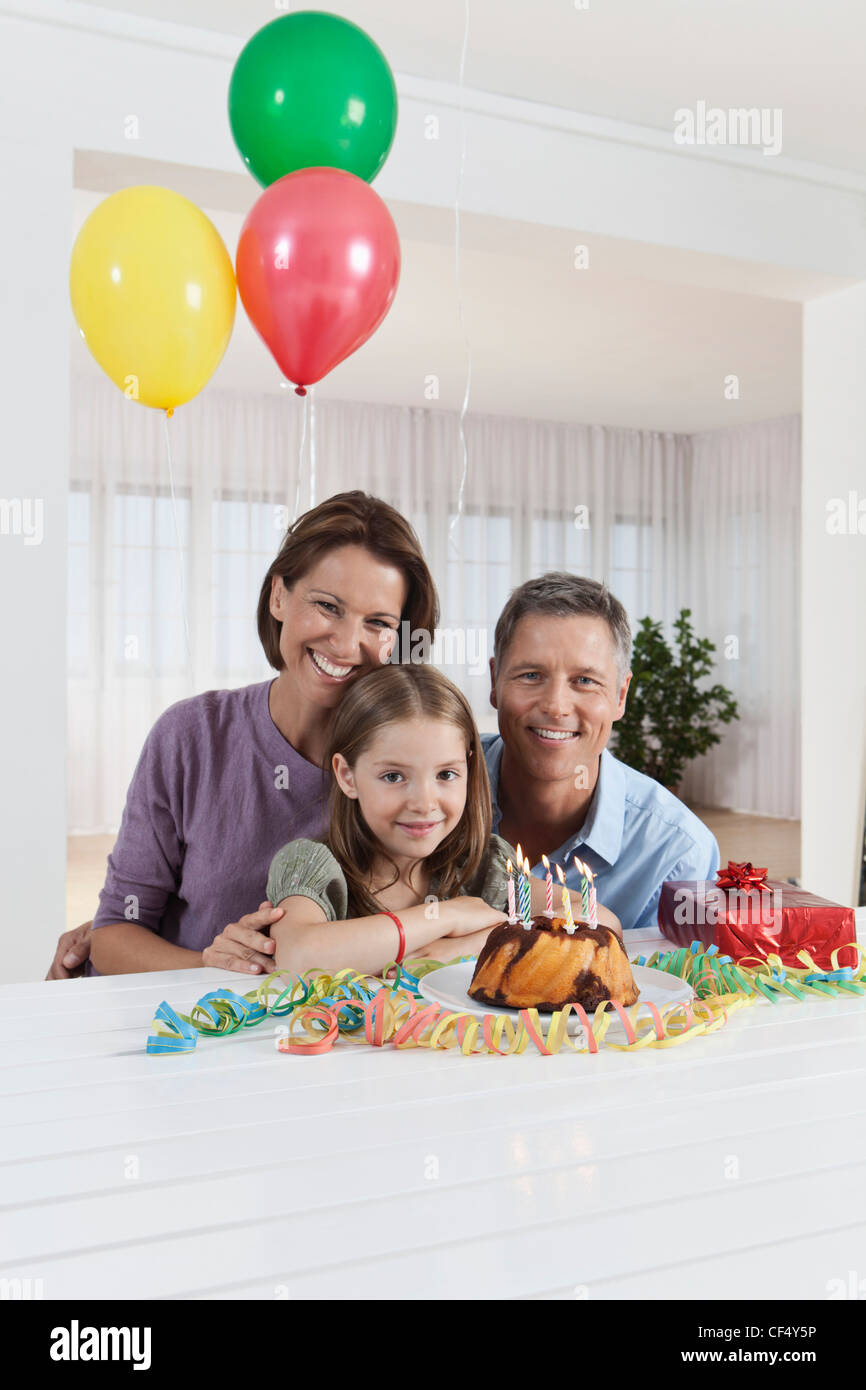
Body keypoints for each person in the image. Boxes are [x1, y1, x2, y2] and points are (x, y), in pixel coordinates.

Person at [50, 492, 440, 977]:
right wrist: (211, 965)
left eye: (378, 623)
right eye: (327, 606)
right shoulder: (191, 737)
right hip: (181, 1026)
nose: (345, 643)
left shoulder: (421, 769)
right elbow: (112, 936)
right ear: (279, 595)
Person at [266, 663, 622, 978]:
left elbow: (603, 922)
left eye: (446, 774)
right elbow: (299, 956)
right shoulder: (311, 864)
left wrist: (470, 945)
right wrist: (449, 917)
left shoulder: (485, 866)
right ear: (347, 776)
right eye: (393, 776)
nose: (424, 803)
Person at [482, 573, 720, 931]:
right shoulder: (423, 790)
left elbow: (682, 983)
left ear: (620, 696)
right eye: (531, 675)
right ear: (494, 682)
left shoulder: (678, 854)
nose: (556, 706)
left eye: (585, 681)